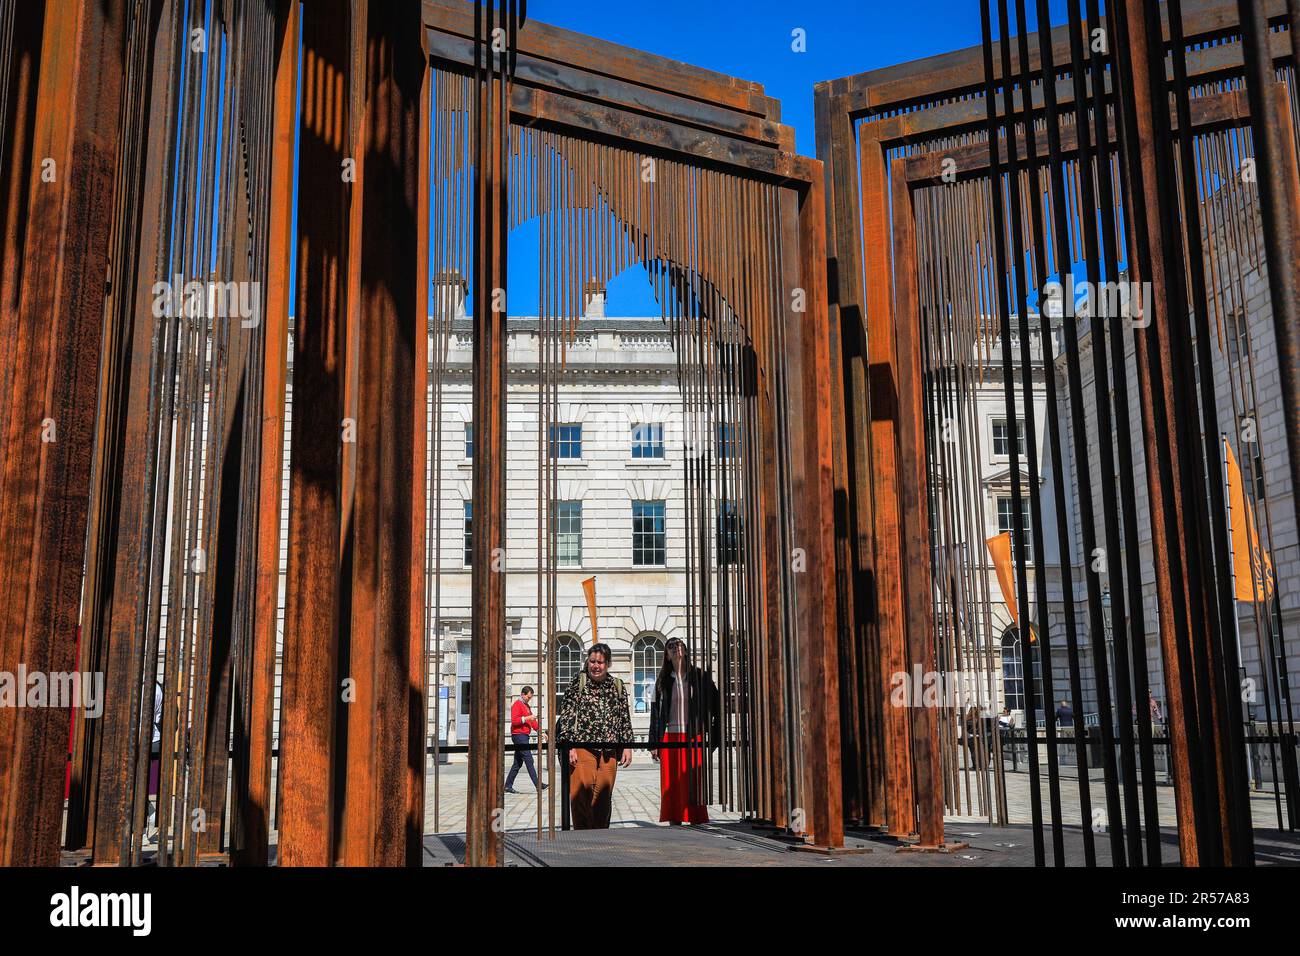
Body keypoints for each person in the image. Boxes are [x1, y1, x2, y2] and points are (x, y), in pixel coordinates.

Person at [554, 643, 633, 829]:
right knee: (581, 796)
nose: (596, 666)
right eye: (592, 661)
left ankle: (600, 835)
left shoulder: (617, 685)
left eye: (600, 662)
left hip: (609, 750)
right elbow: (567, 714)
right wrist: (569, 745)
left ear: (608, 664)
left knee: (603, 798)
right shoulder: (578, 682)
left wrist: (627, 745)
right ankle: (583, 836)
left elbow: (624, 717)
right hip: (583, 746)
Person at [648, 637, 720, 825]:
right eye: (670, 647)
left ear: (685, 650)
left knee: (694, 782)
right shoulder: (662, 680)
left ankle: (696, 820)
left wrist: (714, 734)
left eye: (678, 645)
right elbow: (655, 713)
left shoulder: (700, 677)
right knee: (672, 784)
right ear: (666, 655)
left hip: (693, 736)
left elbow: (717, 705)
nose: (675, 648)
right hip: (669, 738)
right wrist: (654, 743)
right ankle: (675, 821)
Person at [505, 686, 547, 794]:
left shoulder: (526, 706)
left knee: (517, 763)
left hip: (523, 736)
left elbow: (532, 722)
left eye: (530, 697)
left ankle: (508, 786)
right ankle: (538, 785)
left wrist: (540, 732)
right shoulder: (517, 704)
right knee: (529, 759)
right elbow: (514, 721)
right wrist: (528, 718)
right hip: (519, 736)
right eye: (528, 697)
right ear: (523, 694)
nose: (529, 699)